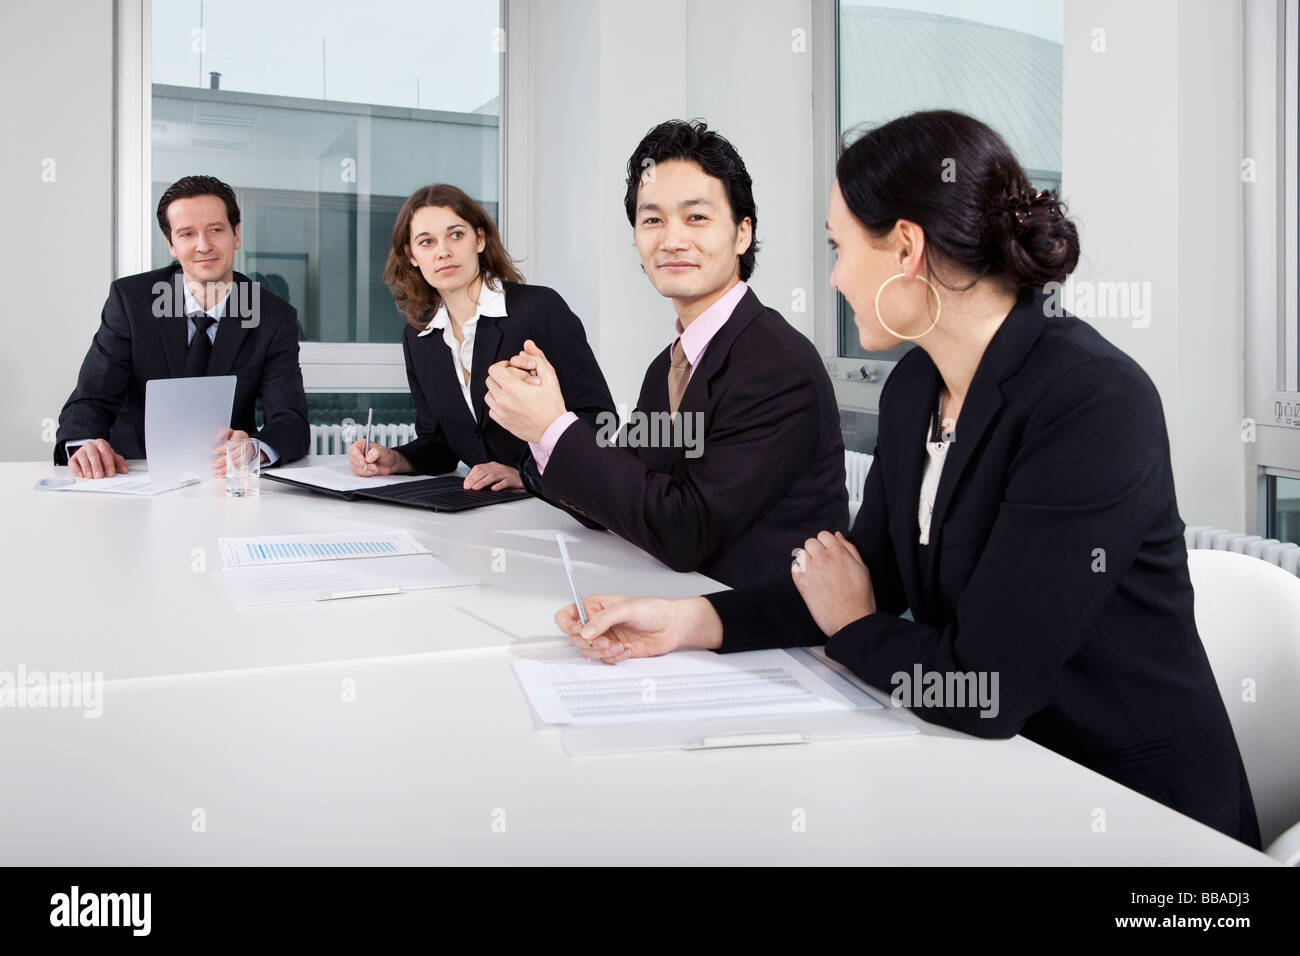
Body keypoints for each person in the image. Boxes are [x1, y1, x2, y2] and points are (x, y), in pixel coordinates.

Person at [551, 110, 1262, 848]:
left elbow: (984, 687)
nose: (832, 278)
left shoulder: (1092, 401)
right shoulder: (914, 388)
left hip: (1131, 810)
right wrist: (691, 622)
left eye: (839, 246)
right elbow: (863, 578)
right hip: (987, 777)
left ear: (905, 248)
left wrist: (855, 627)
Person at [485, 120, 847, 587]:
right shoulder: (668, 367)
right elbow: (626, 500)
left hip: (766, 634)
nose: (672, 239)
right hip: (677, 606)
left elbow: (684, 530)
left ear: (742, 233)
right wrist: (542, 431)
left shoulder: (777, 365)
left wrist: (555, 427)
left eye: (696, 217)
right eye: (652, 219)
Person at [349, 184, 613, 491]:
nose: (443, 251)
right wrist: (396, 460)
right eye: (426, 242)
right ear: (411, 256)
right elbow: (439, 444)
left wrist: (526, 475)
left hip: (556, 502)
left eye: (456, 235)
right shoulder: (419, 336)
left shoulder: (538, 309)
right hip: (481, 506)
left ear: (480, 239)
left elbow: (598, 419)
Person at [55, 175, 309, 476]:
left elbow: (290, 422)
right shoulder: (132, 302)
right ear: (171, 244)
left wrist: (254, 449)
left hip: (225, 476)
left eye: (215, 230)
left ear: (236, 235)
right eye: (187, 234)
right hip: (135, 471)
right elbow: (91, 399)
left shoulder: (273, 316)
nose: (203, 246)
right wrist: (84, 444)